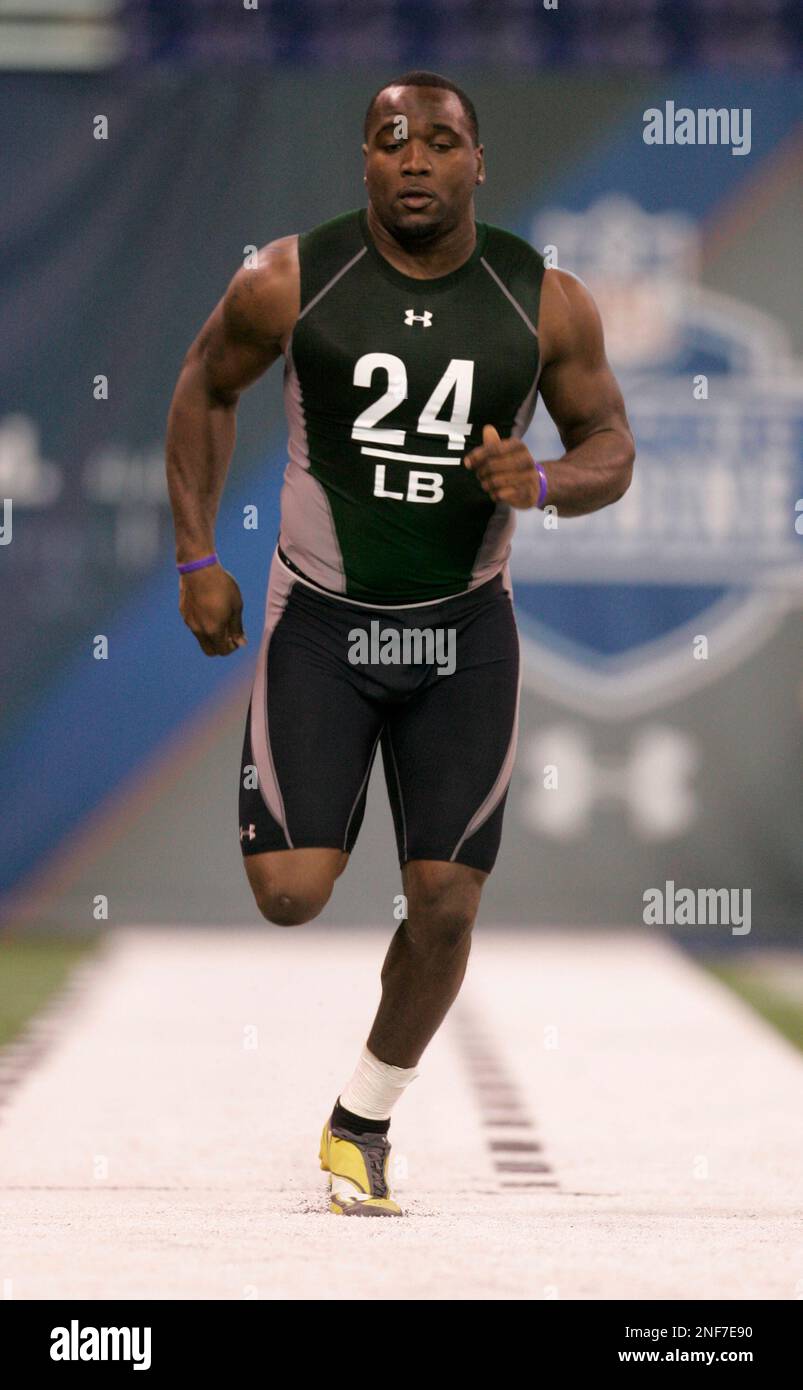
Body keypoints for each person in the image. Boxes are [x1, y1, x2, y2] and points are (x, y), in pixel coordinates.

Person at [165, 70, 634, 1216]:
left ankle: (361, 1119)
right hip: (321, 618)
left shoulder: (545, 301)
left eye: (437, 140)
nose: (412, 158)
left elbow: (610, 443)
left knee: (446, 904)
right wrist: (195, 557)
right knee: (288, 890)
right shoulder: (286, 278)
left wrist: (549, 481)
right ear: (363, 163)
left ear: (478, 162)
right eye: (389, 139)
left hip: (463, 632)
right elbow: (202, 387)